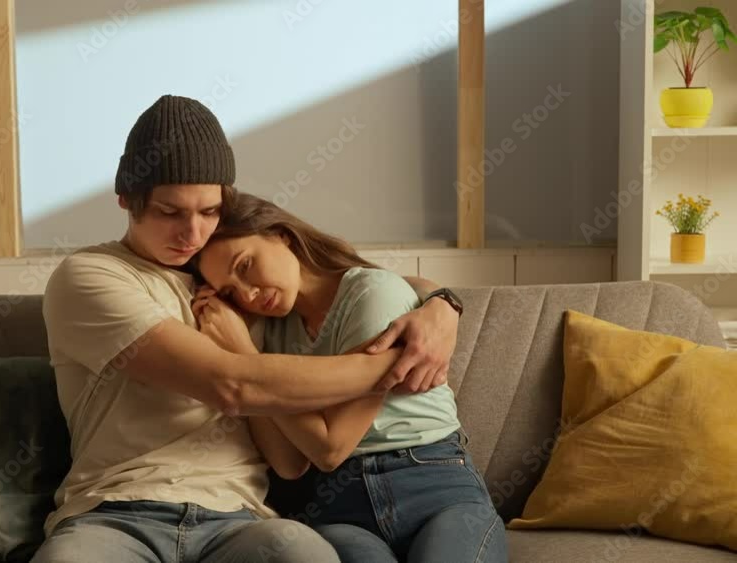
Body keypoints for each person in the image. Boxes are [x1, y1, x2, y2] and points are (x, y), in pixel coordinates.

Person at [33, 94, 462, 563]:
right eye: (170, 212)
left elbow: (359, 282)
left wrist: (442, 306)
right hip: (115, 513)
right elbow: (231, 384)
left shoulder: (234, 287)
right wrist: (399, 358)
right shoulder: (92, 276)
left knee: (309, 557)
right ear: (126, 199)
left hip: (238, 520)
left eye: (210, 211)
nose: (192, 234)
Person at [191, 192, 508, 563]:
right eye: (231, 291)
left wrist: (245, 359)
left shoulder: (372, 292)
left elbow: (330, 448)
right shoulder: (275, 335)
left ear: (281, 235)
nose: (248, 293)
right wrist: (245, 359)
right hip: (341, 508)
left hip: (433, 485)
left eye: (245, 266)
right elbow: (289, 464)